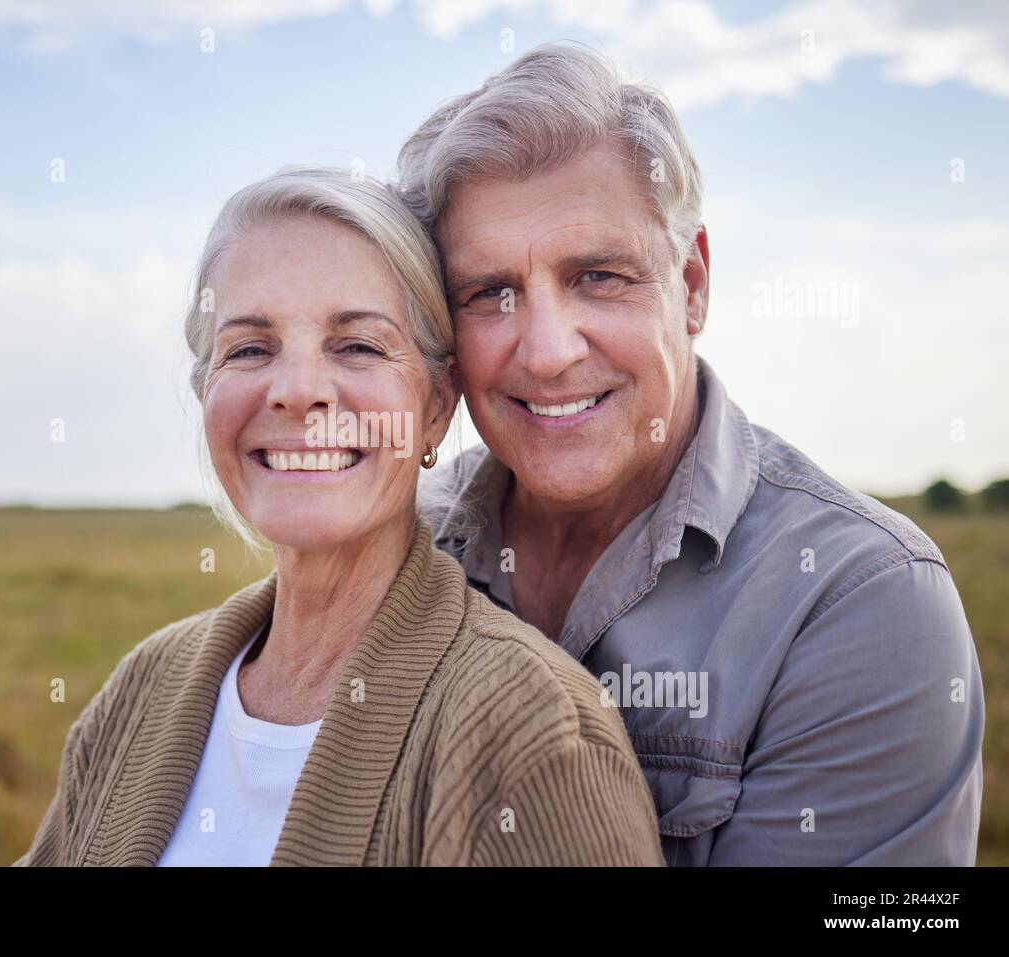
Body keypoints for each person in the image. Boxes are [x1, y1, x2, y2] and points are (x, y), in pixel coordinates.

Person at [396, 41, 985, 865]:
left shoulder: (865, 603)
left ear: (694, 283)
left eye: (598, 275)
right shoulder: (394, 547)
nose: (549, 350)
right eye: (489, 293)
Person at [13, 166, 664, 866]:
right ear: (205, 394)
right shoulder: (143, 689)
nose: (297, 392)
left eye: (357, 345)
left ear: (437, 406)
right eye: (250, 349)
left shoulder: (535, 733)